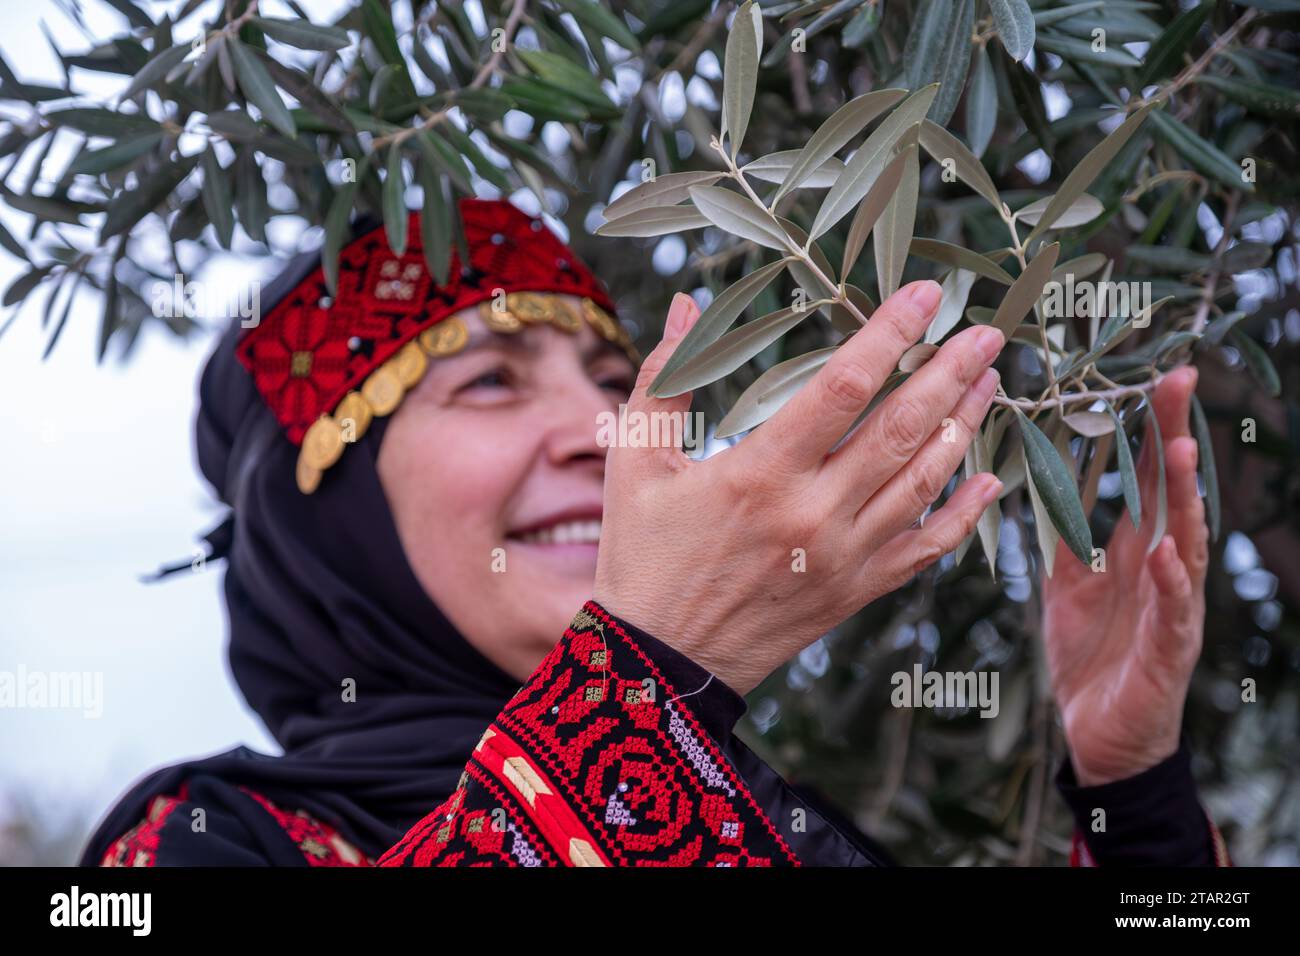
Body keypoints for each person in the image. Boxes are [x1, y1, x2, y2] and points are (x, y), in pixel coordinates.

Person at [80, 198, 1227, 867]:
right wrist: (641, 686)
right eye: (486, 382)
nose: (600, 429)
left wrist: (1133, 792)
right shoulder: (201, 844)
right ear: (326, 511)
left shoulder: (780, 822)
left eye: (614, 379)